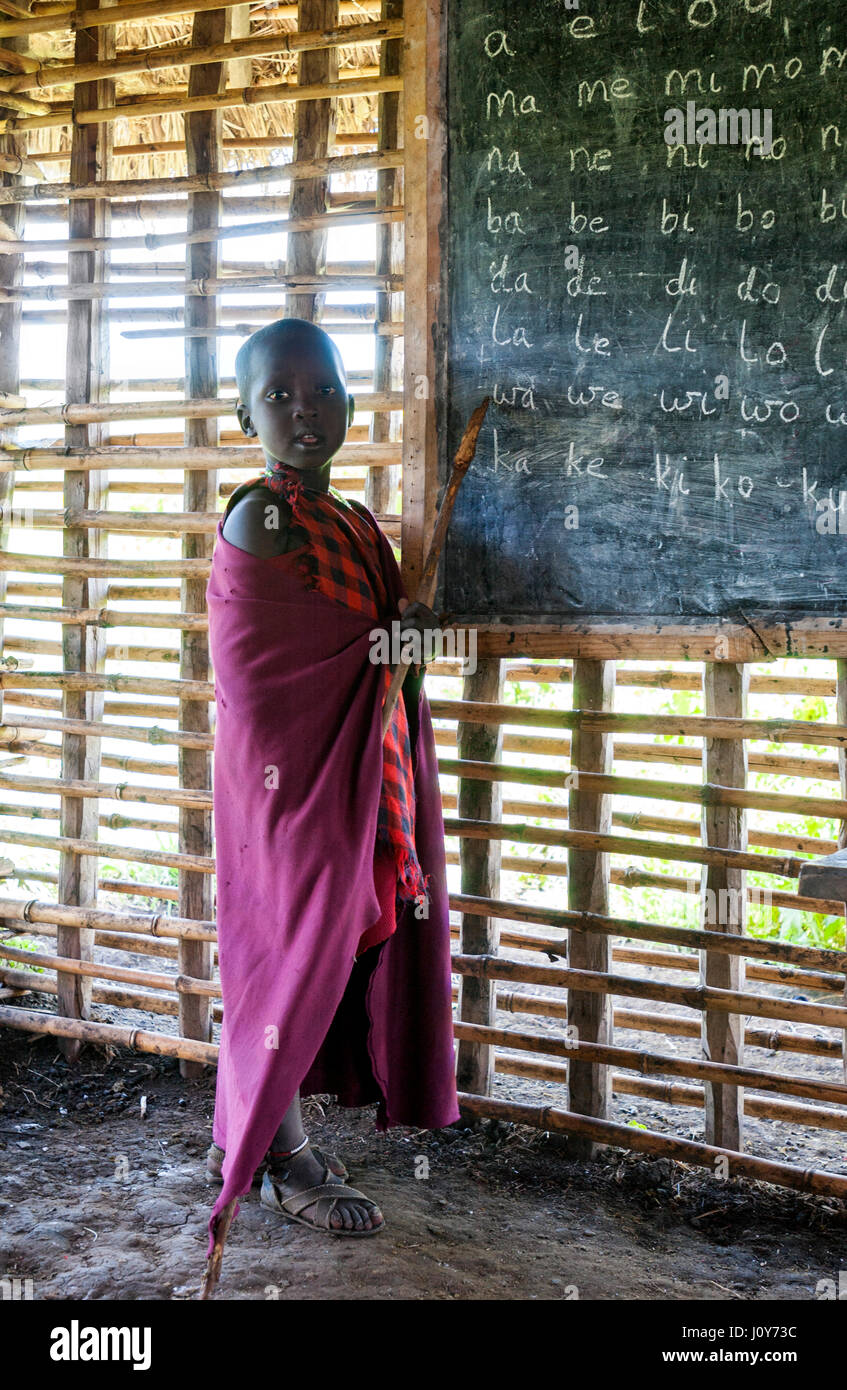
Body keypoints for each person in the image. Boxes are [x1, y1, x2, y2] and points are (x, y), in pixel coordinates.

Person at [204, 317, 460, 1253]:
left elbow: (384, 658)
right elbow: (265, 679)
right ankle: (281, 1158)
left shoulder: (350, 524)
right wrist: (388, 648)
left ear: (351, 399)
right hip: (288, 782)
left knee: (330, 939)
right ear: (245, 415)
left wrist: (406, 645)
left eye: (323, 391)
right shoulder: (259, 518)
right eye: (279, 395)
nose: (304, 411)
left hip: (353, 767)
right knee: (292, 945)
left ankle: (260, 1129)